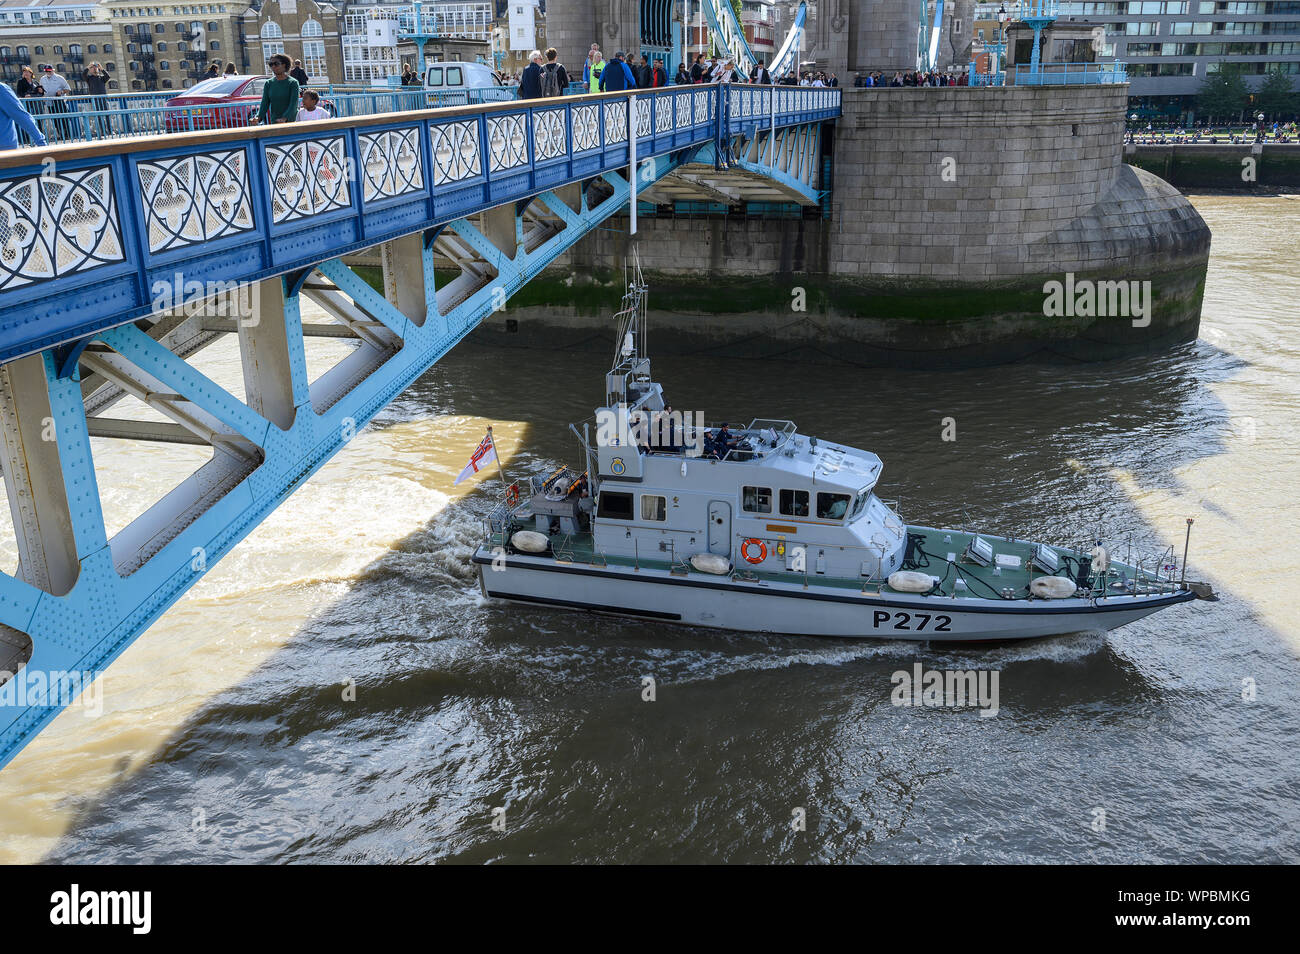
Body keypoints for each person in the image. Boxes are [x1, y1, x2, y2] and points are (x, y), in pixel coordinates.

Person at [0, 78, 47, 150]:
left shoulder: (1, 89)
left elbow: (21, 116)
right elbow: (21, 116)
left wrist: (41, 143)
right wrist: (41, 143)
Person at [254, 54, 300, 124]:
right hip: (275, 121)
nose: (273, 66)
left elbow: (293, 104)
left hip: (291, 121)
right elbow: (264, 103)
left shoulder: (293, 83)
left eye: (276, 64)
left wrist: (285, 118)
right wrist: (258, 117)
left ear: (284, 65)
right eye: (270, 64)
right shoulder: (268, 83)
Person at [40, 66, 72, 140]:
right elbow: (41, 89)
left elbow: (68, 88)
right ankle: (60, 134)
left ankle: (67, 135)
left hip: (59, 101)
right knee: (55, 120)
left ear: (53, 70)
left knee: (64, 119)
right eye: (47, 71)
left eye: (50, 71)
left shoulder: (59, 78)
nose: (48, 73)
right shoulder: (42, 79)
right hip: (49, 102)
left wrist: (61, 92)